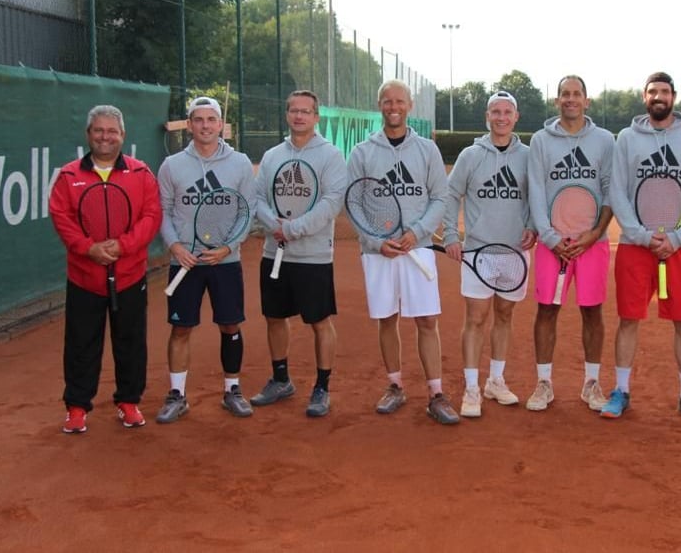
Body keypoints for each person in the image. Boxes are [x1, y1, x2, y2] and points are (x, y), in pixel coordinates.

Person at [604, 72, 681, 424]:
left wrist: (679, 237)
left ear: (674, 97)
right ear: (644, 96)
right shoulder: (626, 138)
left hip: (679, 247)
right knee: (628, 319)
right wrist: (638, 234)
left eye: (664, 92)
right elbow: (617, 191)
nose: (658, 97)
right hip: (637, 246)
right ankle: (621, 390)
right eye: (653, 91)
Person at [346, 79, 459, 425]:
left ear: (409, 106)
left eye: (399, 101)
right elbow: (353, 202)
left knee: (427, 320)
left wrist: (417, 232)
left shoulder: (427, 150)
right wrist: (374, 241)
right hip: (379, 251)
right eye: (386, 101)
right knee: (387, 318)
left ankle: (436, 394)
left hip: (418, 248)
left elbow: (440, 198)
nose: (393, 106)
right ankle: (395, 386)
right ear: (379, 105)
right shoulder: (363, 152)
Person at [49, 105, 162, 433]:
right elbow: (61, 216)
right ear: (88, 135)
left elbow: (151, 216)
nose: (105, 137)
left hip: (130, 276)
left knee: (131, 342)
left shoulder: (141, 174)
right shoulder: (69, 176)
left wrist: (122, 246)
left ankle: (128, 402)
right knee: (81, 344)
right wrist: (88, 248)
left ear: (122, 136)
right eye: (98, 131)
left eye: (112, 131)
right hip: (85, 278)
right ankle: (77, 407)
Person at [156, 96, 257, 423]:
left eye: (210, 119)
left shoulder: (240, 163)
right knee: (181, 328)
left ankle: (232, 390)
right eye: (198, 120)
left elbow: (248, 210)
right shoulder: (172, 166)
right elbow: (163, 211)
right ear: (189, 125)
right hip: (185, 262)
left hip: (224, 261)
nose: (205, 126)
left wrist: (229, 247)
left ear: (220, 124)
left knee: (230, 324)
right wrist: (175, 247)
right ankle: (177, 395)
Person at [251, 90, 346, 417]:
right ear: (287, 114)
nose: (299, 116)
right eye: (293, 110)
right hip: (273, 252)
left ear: (316, 117)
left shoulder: (331, 156)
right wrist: (274, 225)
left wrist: (294, 228)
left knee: (319, 321)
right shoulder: (273, 155)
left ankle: (322, 386)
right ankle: (281, 380)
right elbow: (257, 197)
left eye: (306, 111)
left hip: (313, 256)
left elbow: (332, 202)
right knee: (274, 317)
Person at [441, 90, 536, 417]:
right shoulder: (471, 155)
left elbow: (536, 196)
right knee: (476, 318)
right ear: (487, 117)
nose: (501, 117)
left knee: (505, 316)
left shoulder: (528, 156)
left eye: (507, 112)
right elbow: (451, 195)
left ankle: (496, 380)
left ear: (516, 117)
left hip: (515, 251)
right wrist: (452, 234)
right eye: (495, 112)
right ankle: (471, 389)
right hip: (478, 251)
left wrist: (533, 225)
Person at [524, 75, 615, 412]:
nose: (571, 99)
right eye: (565, 94)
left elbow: (611, 191)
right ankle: (544, 383)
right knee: (547, 310)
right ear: (557, 100)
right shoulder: (540, 141)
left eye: (577, 94)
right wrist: (549, 237)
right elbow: (535, 190)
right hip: (552, 245)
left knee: (593, 311)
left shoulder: (606, 140)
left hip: (593, 244)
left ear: (587, 101)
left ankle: (591, 383)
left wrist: (594, 234)